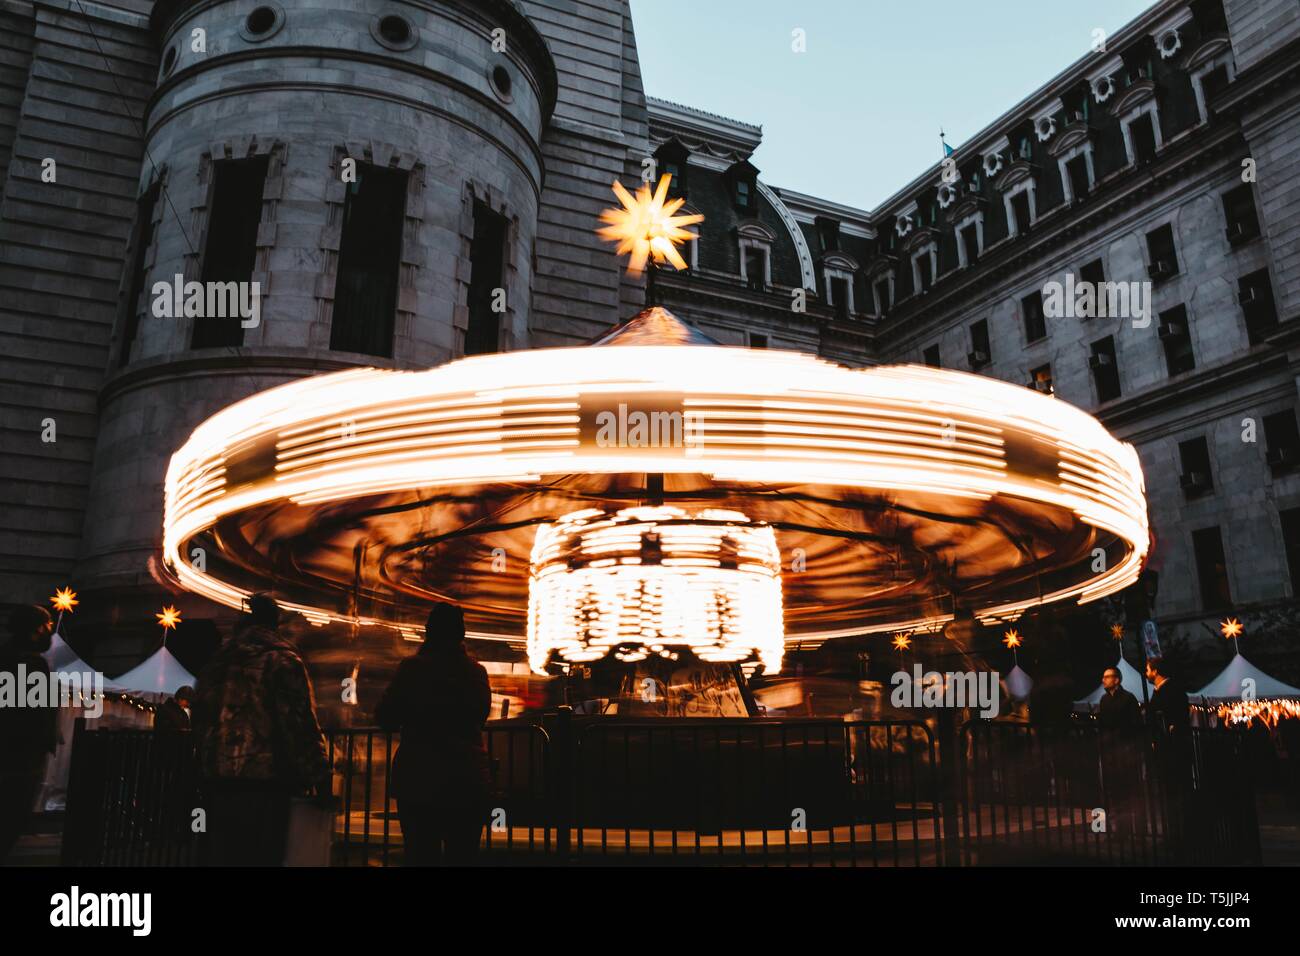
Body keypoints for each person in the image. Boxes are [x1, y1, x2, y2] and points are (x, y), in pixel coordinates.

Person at [191, 594, 329, 866]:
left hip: (217, 781)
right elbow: (298, 724)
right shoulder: (282, 660)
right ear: (274, 624)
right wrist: (319, 773)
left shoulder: (216, 664)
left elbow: (200, 719)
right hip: (266, 783)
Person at [375, 602, 491, 866]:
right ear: (461, 634)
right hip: (467, 780)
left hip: (419, 780)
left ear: (429, 631)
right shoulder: (476, 672)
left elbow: (386, 716)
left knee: (421, 854)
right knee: (462, 855)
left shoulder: (412, 668)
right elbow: (480, 717)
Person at [0, 606, 57, 861]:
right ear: (35, 629)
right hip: (21, 757)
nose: (51, 630)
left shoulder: (7, 656)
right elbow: (34, 713)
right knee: (12, 816)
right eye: (48, 625)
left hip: (18, 751)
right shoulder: (31, 665)